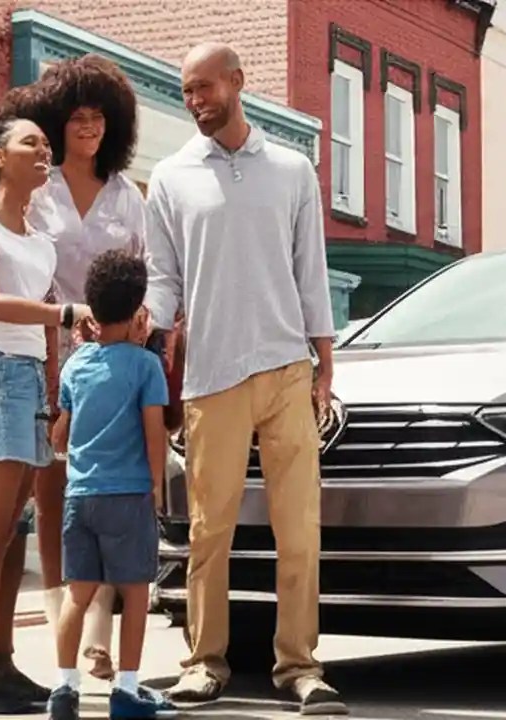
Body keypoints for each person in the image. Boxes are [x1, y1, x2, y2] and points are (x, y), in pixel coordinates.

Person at [142, 43, 344, 715]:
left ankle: (300, 667)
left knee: (299, 528)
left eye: (204, 87)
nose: (195, 100)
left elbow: (309, 269)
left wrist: (325, 364)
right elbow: (164, 278)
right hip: (211, 374)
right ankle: (204, 662)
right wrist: (149, 344)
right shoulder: (171, 177)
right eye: (186, 92)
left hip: (287, 367)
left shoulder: (292, 170)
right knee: (209, 530)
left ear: (237, 81)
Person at [0, 112, 94, 714]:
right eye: (31, 142)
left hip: (28, 382)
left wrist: (56, 397)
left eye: (46, 145)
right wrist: (65, 313)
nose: (44, 151)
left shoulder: (38, 243)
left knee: (9, 533)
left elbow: (44, 329)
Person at [21, 53, 147, 681]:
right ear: (56, 122)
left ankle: (97, 635)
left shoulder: (129, 196)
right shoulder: (34, 192)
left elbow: (148, 279)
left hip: (116, 365)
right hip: (48, 356)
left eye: (100, 116)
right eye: (77, 116)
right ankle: (60, 624)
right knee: (55, 499)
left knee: (113, 492)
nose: (89, 126)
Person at [47, 249, 172, 720]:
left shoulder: (77, 365)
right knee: (136, 591)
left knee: (77, 593)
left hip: (80, 495)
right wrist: (156, 486)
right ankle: (127, 691)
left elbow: (63, 430)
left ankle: (64, 689)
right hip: (128, 493)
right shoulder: (145, 368)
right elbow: (153, 431)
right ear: (139, 306)